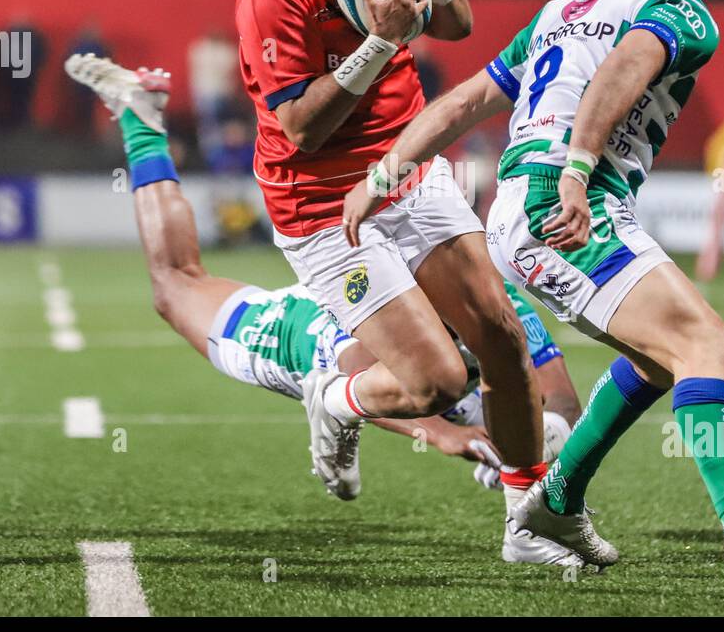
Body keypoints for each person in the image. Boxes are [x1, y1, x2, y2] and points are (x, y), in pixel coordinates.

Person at [343, 0, 724, 595]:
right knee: (707, 348)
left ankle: (553, 505)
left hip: (523, 205)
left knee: (656, 362)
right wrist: (579, 172)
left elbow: (466, 101)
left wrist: (383, 174)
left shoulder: (562, 10)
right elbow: (622, 70)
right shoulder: (681, 7)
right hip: (564, 201)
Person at [63, 56, 584, 566]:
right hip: (304, 339)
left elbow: (561, 397)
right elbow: (352, 371)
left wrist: (544, 442)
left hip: (355, 304)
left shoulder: (495, 303)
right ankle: (143, 126)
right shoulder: (393, 312)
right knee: (174, 285)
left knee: (181, 285)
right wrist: (443, 434)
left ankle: (140, 116)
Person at [233, 0, 560, 535]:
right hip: (322, 205)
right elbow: (302, 129)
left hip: (408, 171)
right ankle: (337, 399)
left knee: (503, 339)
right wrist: (381, 41)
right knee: (436, 382)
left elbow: (458, 24)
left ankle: (529, 520)